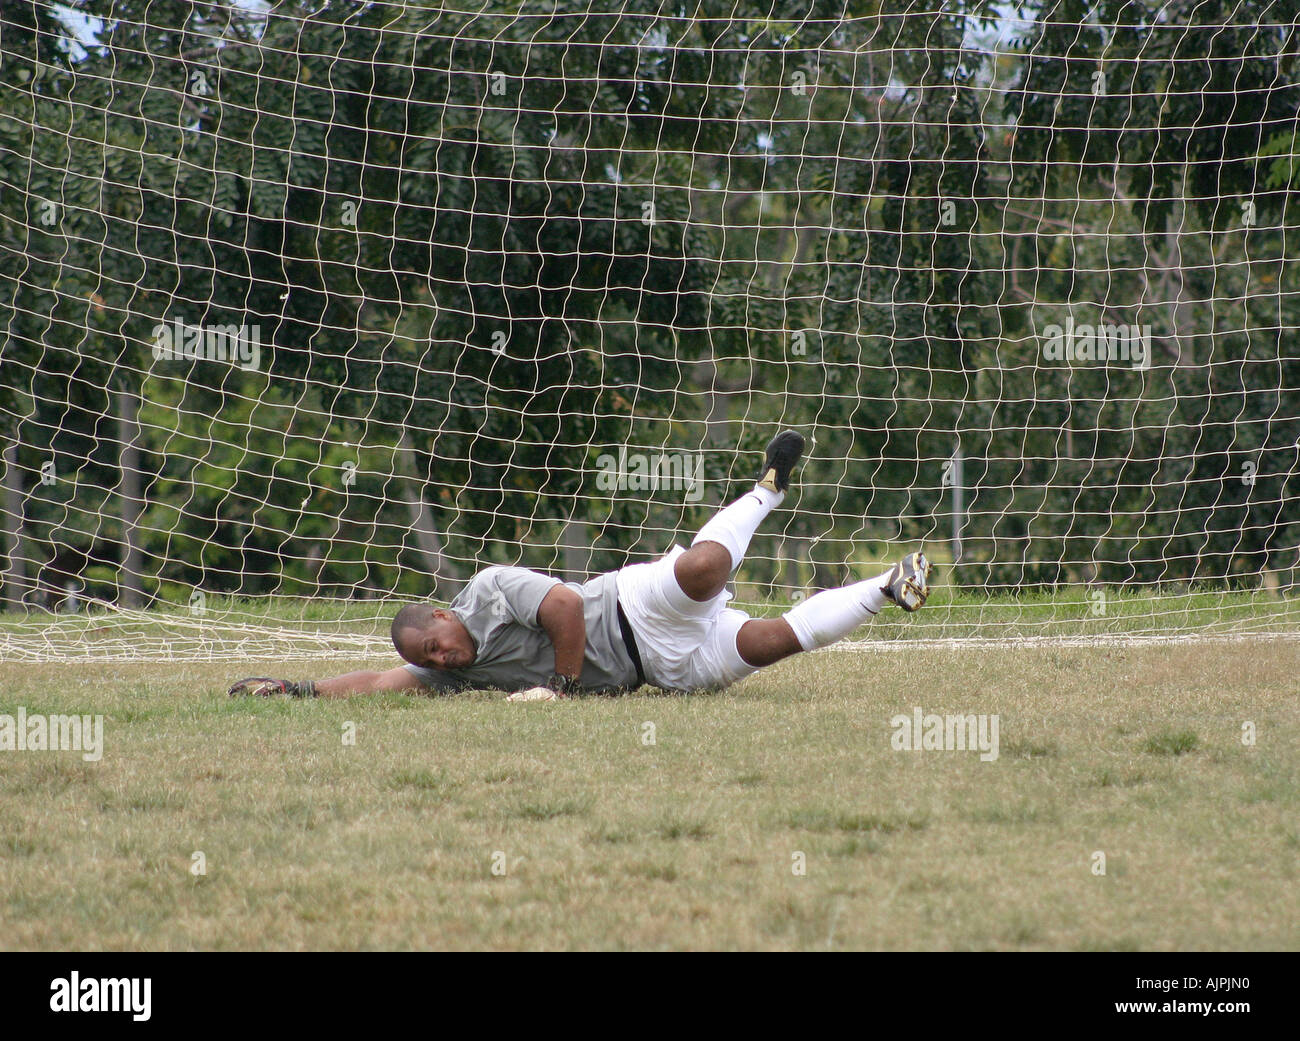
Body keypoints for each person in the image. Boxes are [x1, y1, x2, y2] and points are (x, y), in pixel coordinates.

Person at [227, 432, 931, 702]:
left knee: (703, 568)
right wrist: (300, 689)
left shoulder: (489, 590)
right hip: (661, 671)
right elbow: (382, 678)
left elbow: (564, 606)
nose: (438, 660)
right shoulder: (452, 670)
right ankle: (888, 585)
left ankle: (765, 489)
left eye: (433, 645)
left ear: (443, 615)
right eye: (430, 660)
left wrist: (560, 689)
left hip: (636, 606)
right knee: (773, 641)